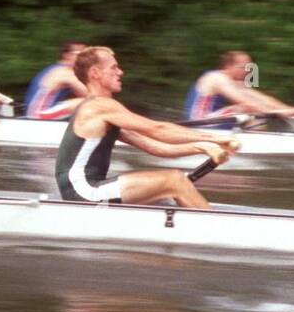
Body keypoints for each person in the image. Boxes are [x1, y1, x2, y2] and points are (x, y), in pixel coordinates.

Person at [56, 46, 238, 208]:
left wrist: (202, 147)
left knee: (170, 186)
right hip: (83, 192)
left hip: (84, 190)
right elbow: (158, 129)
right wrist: (213, 138)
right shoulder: (99, 106)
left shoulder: (104, 113)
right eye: (114, 67)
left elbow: (157, 147)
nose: (120, 72)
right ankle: (216, 230)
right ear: (95, 73)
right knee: (175, 181)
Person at [184, 51, 294, 122]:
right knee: (247, 108)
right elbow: (247, 103)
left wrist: (291, 111)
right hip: (200, 121)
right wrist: (285, 112)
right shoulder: (217, 78)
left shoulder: (236, 82)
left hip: (214, 119)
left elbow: (263, 99)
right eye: (243, 67)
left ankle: (256, 139)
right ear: (228, 66)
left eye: (249, 67)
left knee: (257, 108)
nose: (247, 71)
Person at [24, 42, 88, 119]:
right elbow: (90, 95)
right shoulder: (65, 72)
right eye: (82, 54)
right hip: (39, 117)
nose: (86, 59)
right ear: (67, 55)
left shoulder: (53, 68)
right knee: (92, 102)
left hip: (33, 114)